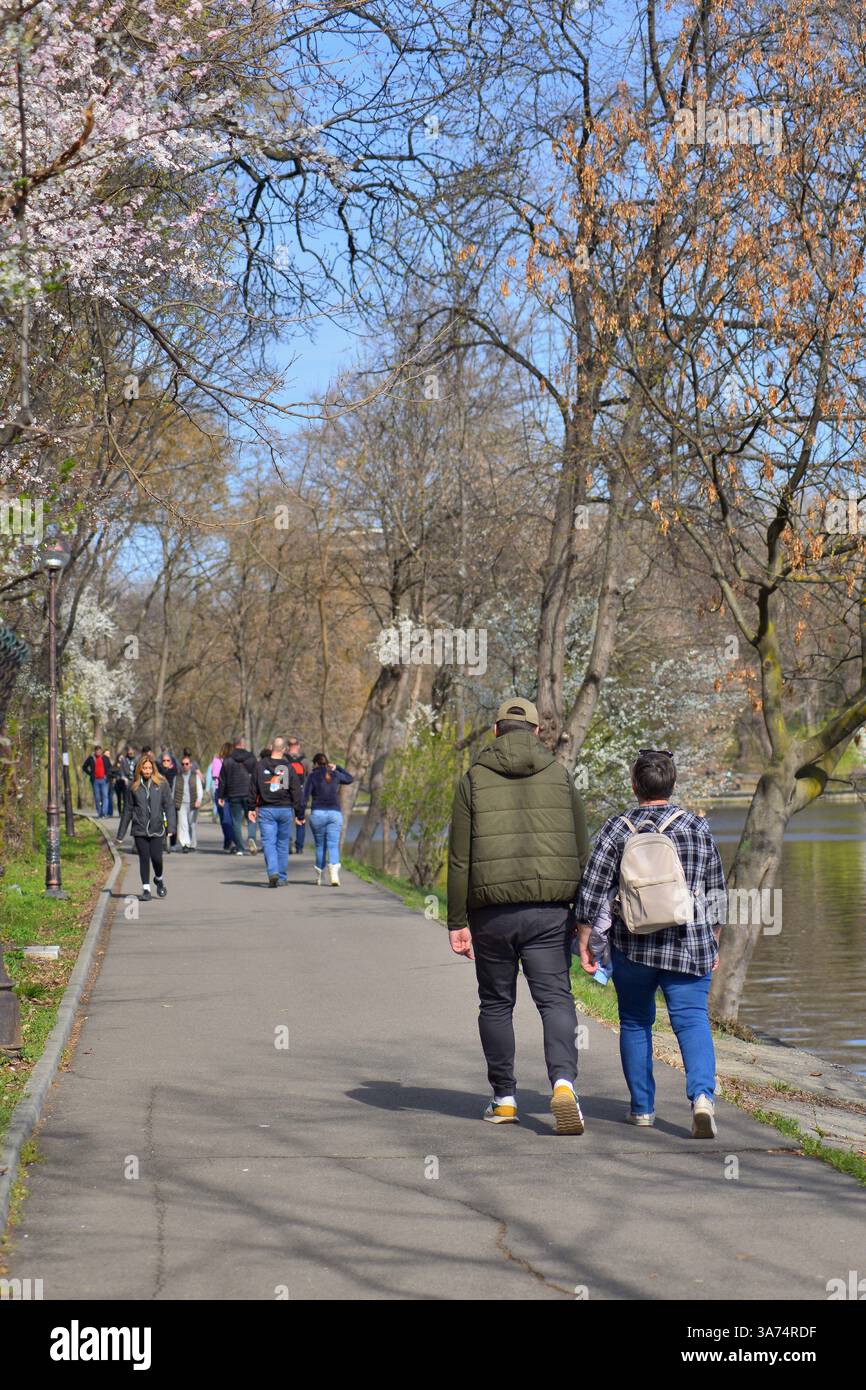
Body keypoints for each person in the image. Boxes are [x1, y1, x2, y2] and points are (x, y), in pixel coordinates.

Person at [447, 698, 590, 1134]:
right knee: (555, 1000)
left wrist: (456, 921)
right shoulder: (560, 776)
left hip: (492, 913)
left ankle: (505, 1098)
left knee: (496, 1004)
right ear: (536, 732)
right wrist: (584, 915)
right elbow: (581, 848)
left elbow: (459, 859)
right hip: (549, 910)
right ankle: (563, 1083)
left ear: (495, 732)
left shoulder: (473, 779)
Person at [574, 748, 727, 1138]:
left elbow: (591, 892)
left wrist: (586, 943)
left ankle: (642, 1109)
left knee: (636, 1022)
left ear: (634, 785)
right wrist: (714, 941)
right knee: (692, 1021)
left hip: (633, 945)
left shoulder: (616, 828)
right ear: (673, 784)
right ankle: (702, 1098)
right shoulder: (696, 827)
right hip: (689, 943)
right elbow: (716, 894)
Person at [115, 753, 176, 901]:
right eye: (144, 768)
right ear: (140, 769)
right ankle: (146, 889)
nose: (147, 771)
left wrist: (171, 828)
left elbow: (169, 806)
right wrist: (120, 834)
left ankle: (159, 879)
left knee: (157, 858)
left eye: (149, 768)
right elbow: (127, 810)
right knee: (144, 858)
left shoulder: (162, 784)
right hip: (140, 829)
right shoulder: (133, 787)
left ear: (153, 769)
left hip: (157, 828)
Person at [249, 737, 306, 886]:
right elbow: (296, 791)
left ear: (270, 747)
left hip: (266, 808)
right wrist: (300, 813)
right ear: (285, 749)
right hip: (285, 809)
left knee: (268, 843)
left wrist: (250, 808)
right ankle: (281, 877)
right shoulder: (289, 767)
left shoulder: (260, 765)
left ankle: (273, 871)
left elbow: (252, 788)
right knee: (282, 844)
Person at [305, 753, 353, 886]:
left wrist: (299, 814)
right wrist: (338, 767)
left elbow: (305, 796)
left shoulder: (312, 776)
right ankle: (334, 873)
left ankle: (320, 876)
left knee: (320, 846)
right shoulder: (336, 774)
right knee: (333, 844)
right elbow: (350, 778)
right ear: (327, 763)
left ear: (315, 764)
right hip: (334, 814)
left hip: (318, 814)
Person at [218, 737, 258, 856]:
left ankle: (240, 848)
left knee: (236, 821)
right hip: (249, 792)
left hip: (233, 793)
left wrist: (221, 796)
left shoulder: (227, 760)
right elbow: (257, 776)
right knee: (251, 817)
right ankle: (251, 838)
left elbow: (222, 780)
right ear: (243, 744)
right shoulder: (251, 758)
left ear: (234, 745)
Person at [175, 755, 204, 852]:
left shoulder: (195, 777)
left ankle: (193, 844)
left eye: (187, 764)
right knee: (183, 824)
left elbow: (199, 790)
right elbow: (173, 791)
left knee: (192, 824)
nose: (184, 766)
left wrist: (198, 800)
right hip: (181, 804)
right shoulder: (177, 777)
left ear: (190, 765)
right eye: (183, 764)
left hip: (193, 803)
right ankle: (185, 844)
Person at [287, 738, 309, 854]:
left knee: (287, 821)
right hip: (301, 795)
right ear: (298, 746)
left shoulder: (284, 759)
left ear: (288, 746)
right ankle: (299, 847)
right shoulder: (305, 761)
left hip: (287, 795)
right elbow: (309, 778)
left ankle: (288, 844)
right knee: (300, 820)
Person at [82, 744, 113, 818]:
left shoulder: (105, 758)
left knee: (105, 796)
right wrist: (90, 774)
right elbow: (84, 767)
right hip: (95, 780)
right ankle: (99, 813)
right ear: (95, 751)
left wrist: (108, 775)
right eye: (97, 751)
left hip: (104, 780)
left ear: (101, 751)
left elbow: (110, 768)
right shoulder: (91, 758)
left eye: (99, 751)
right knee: (97, 797)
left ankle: (104, 813)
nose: (98, 752)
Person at [114, 744, 137, 824]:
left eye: (131, 751)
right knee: (126, 798)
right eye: (129, 751)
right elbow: (121, 771)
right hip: (127, 780)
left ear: (134, 751)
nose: (130, 753)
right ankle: (126, 813)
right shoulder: (124, 760)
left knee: (135, 797)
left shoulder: (137, 759)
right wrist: (124, 777)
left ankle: (135, 813)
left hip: (135, 779)